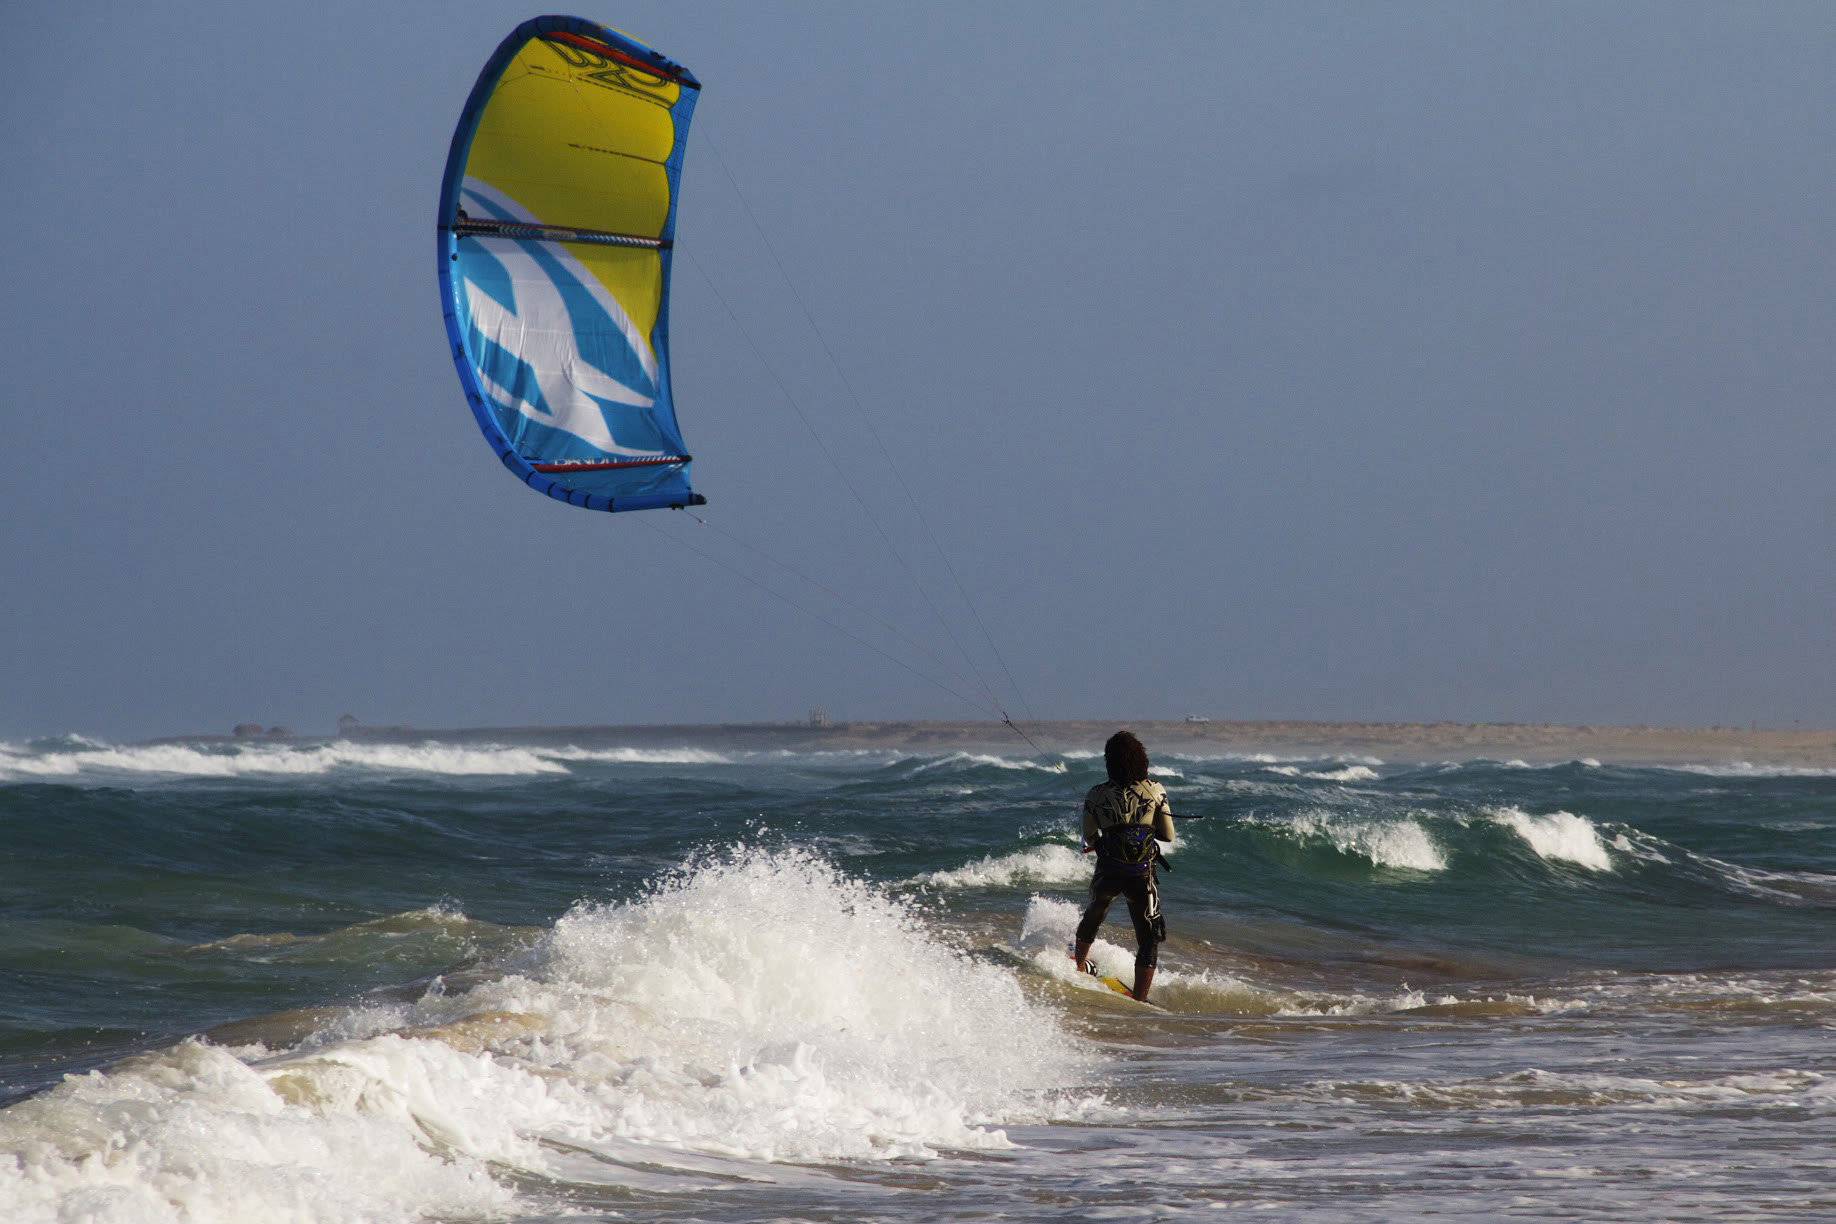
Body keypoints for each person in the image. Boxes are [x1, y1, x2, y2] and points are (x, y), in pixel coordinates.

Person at [1072, 730, 1174, 1002]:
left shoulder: (1095, 794)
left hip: (1108, 871)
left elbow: (1089, 836)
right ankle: (1140, 999)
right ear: (1142, 760)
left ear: (1109, 763)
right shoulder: (1156, 790)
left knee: (1093, 917)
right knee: (1148, 938)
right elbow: (1168, 835)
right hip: (1142, 874)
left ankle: (1078, 967)